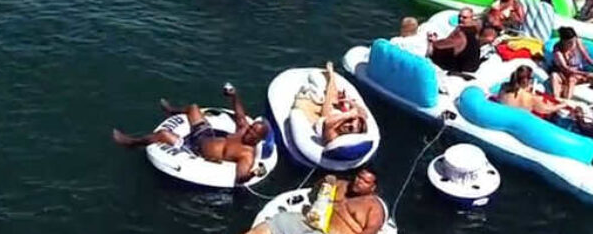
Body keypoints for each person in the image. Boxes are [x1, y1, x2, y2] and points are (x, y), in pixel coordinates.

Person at [111, 84, 269, 185]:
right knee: (193, 108)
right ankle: (172, 111)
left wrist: (253, 173)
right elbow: (240, 115)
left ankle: (131, 143)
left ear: (258, 139)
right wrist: (234, 95)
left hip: (194, 149)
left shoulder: (246, 155)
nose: (249, 131)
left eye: (253, 132)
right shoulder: (243, 130)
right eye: (251, 128)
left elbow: (240, 177)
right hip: (205, 136)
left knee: (163, 135)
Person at [243, 169, 386, 234]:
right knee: (266, 227)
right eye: (359, 177)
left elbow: (370, 231)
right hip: (308, 223)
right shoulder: (341, 185)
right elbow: (313, 194)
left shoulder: (373, 205)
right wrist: (323, 181)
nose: (358, 182)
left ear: (373, 187)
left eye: (365, 181)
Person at [292, 62, 369, 144]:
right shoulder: (341, 124)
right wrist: (349, 103)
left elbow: (327, 121)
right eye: (349, 121)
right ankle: (331, 77)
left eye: (350, 128)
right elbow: (364, 114)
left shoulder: (333, 136)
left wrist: (350, 114)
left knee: (315, 77)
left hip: (316, 113)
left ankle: (331, 76)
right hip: (327, 109)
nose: (347, 125)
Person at [427, 7, 489, 73]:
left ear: (471, 18)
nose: (460, 19)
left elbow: (446, 44)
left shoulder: (461, 32)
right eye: (459, 17)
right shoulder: (474, 29)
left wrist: (433, 42)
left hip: (461, 68)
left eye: (464, 17)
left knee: (432, 52)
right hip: (471, 67)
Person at [549, 26, 593, 100]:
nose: (572, 44)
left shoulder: (577, 42)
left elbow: (586, 56)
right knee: (554, 76)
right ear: (563, 41)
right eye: (569, 43)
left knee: (572, 79)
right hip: (563, 73)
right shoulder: (558, 49)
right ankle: (556, 98)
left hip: (576, 73)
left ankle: (566, 100)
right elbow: (566, 68)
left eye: (573, 41)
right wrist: (586, 74)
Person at [497, 65, 569, 119]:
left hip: (501, 117)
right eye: (532, 78)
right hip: (518, 123)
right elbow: (547, 110)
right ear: (527, 80)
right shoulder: (531, 98)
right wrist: (562, 105)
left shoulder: (504, 86)